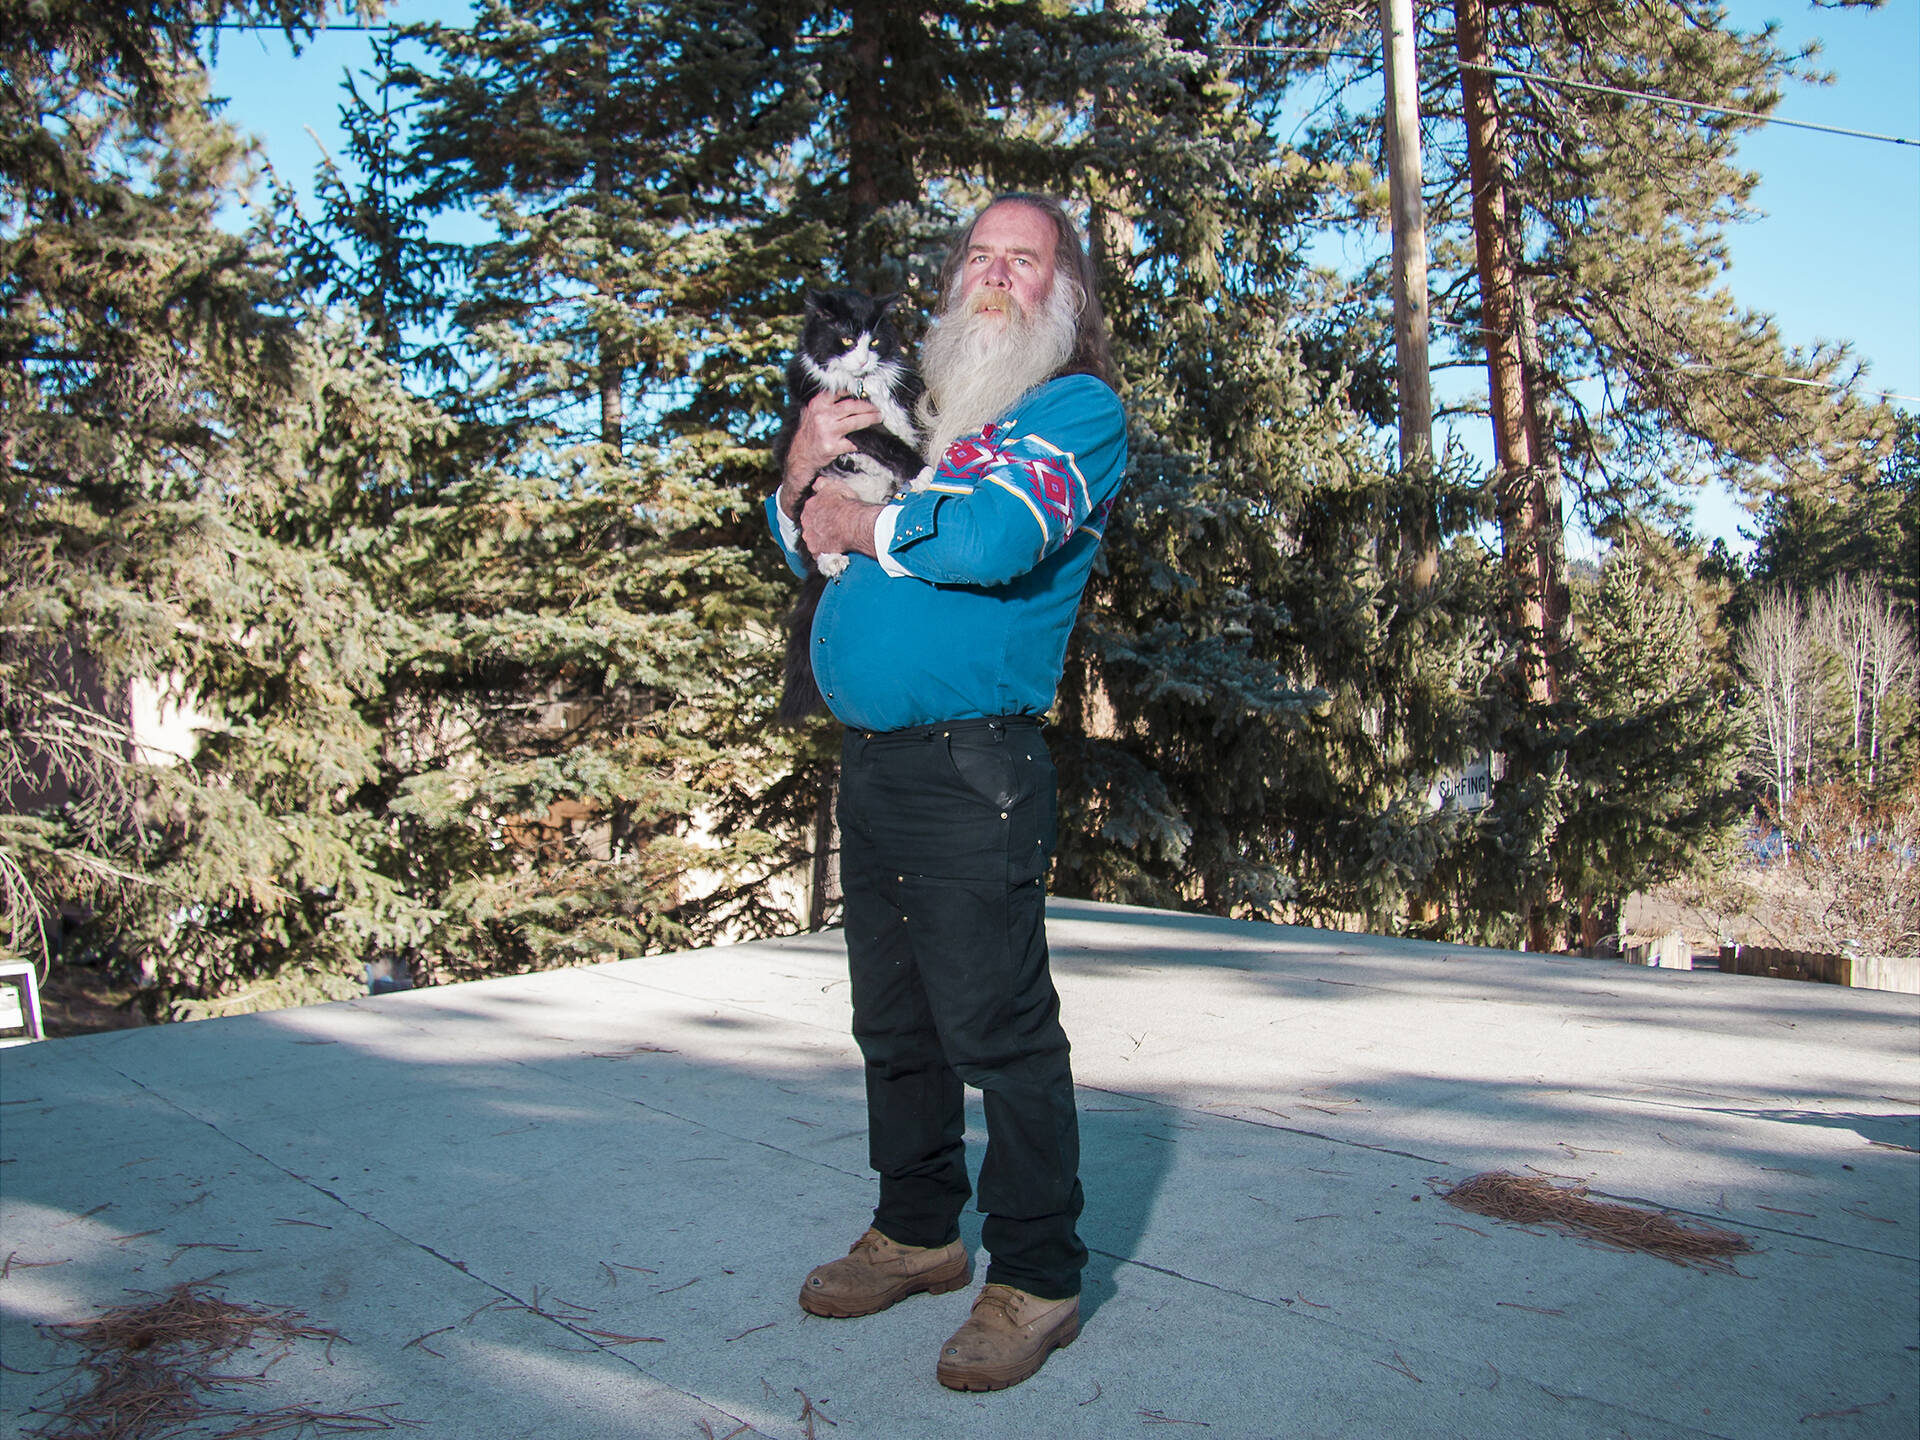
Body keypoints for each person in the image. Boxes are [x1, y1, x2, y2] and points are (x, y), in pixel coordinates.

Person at [765, 194, 1127, 1393]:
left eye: (1023, 261)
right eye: (978, 253)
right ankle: (919, 1233)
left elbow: (989, 543)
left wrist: (863, 516)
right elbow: (810, 532)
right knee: (897, 1025)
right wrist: (808, 473)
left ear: (1061, 294)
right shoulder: (931, 414)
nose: (994, 275)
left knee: (1000, 1033)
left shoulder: (1074, 412)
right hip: (873, 761)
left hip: (976, 769)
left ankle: (1037, 1276)